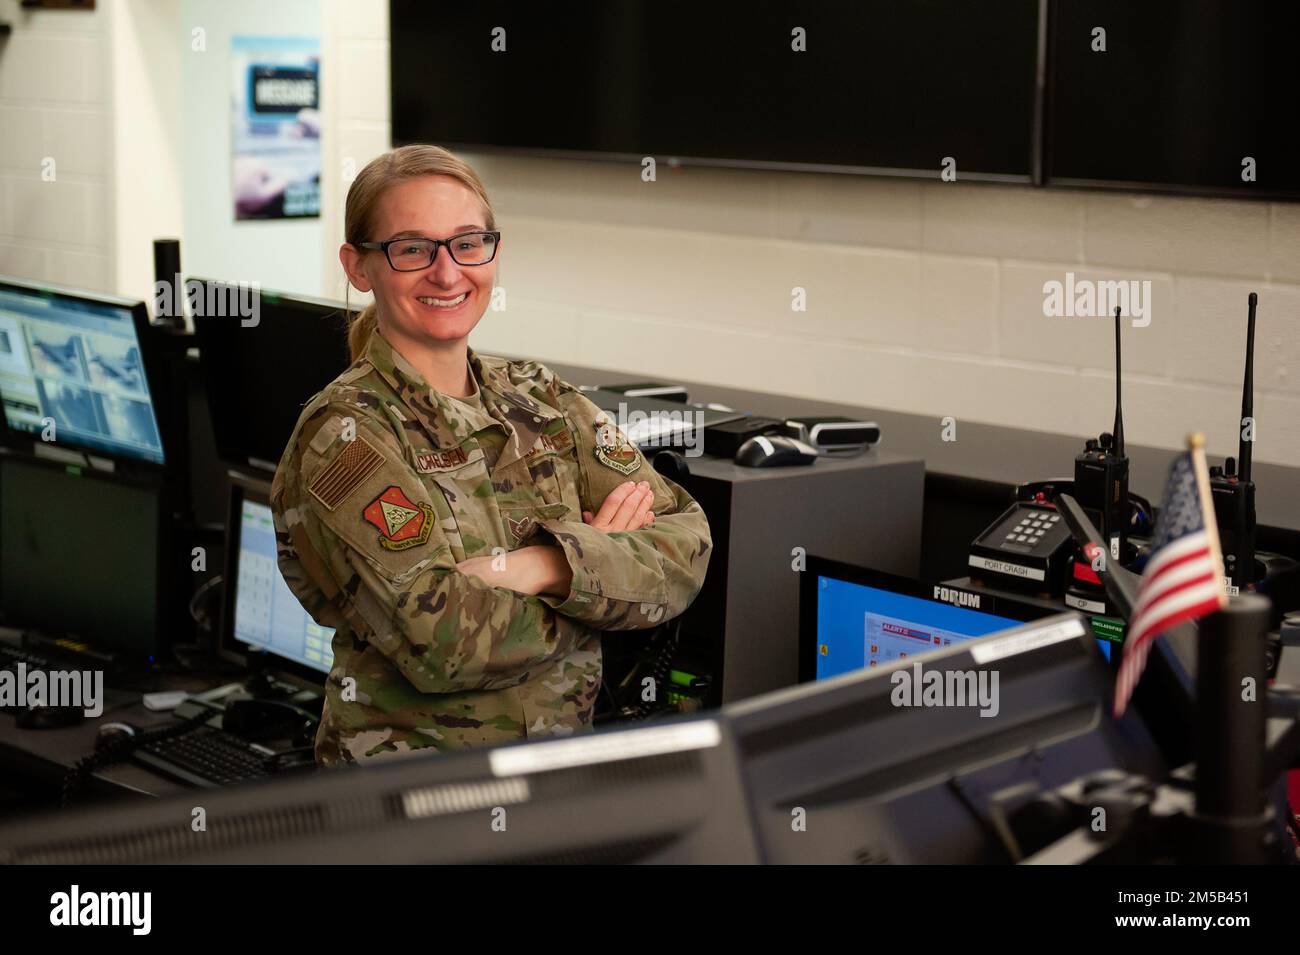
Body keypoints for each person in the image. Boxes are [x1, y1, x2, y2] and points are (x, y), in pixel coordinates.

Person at [271, 144, 713, 766]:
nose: (447, 273)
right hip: (412, 809)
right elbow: (442, 641)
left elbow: (687, 548)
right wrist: (602, 582)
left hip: (554, 791)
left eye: (467, 242)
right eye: (412, 248)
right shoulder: (345, 437)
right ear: (359, 266)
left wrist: (544, 567)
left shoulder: (540, 397)